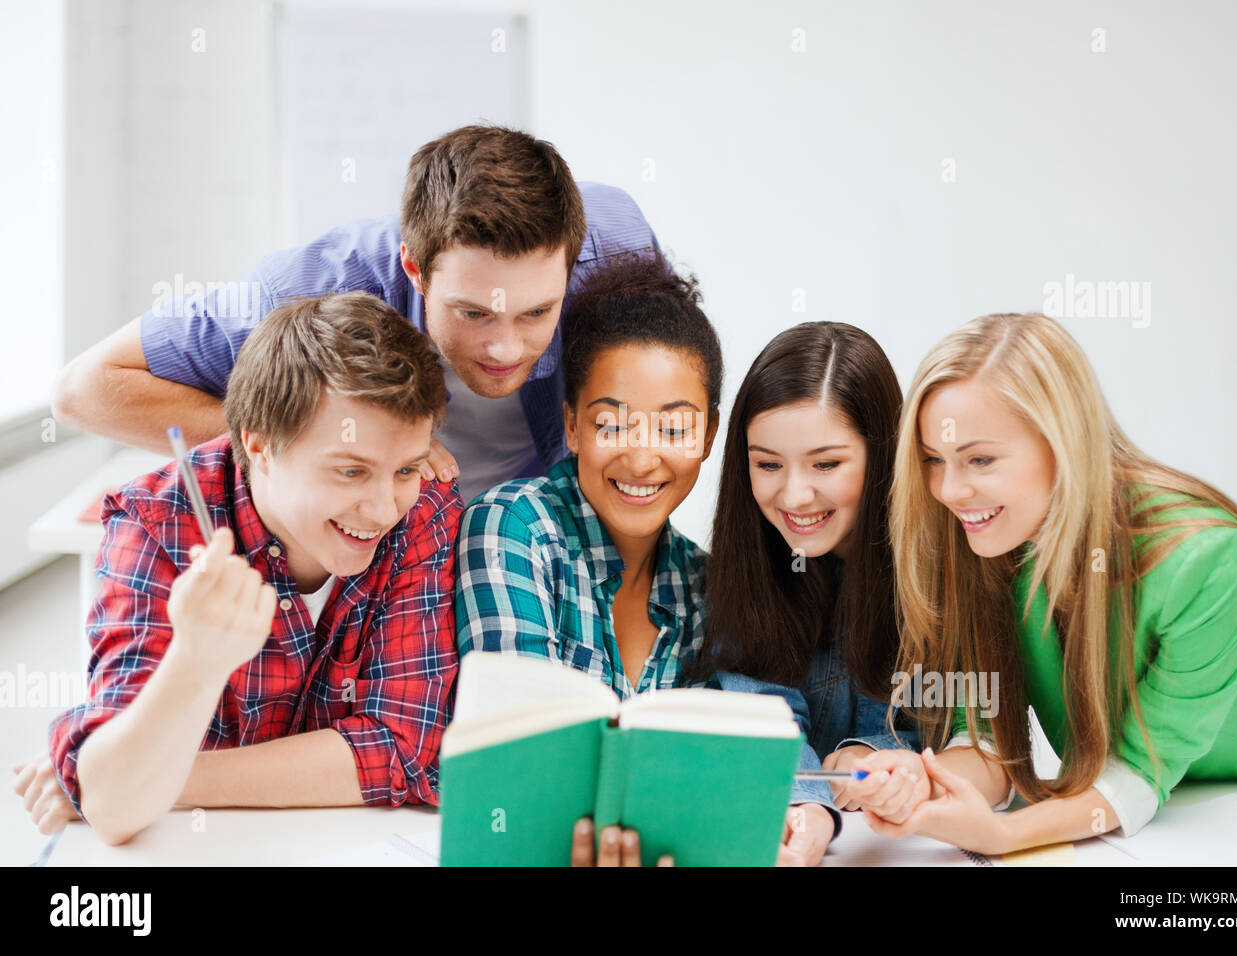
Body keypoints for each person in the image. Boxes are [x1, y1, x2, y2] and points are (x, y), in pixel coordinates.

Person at [13, 293, 461, 844]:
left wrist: (164, 775)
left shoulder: (426, 514)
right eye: (350, 471)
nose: (383, 508)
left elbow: (403, 746)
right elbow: (115, 808)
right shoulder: (156, 525)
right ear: (261, 445)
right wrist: (196, 660)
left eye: (406, 469)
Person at [853, 311, 1237, 854]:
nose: (949, 490)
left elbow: (1136, 775)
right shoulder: (987, 540)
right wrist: (922, 780)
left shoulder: (1210, 560)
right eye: (933, 460)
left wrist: (1003, 835)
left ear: (1062, 442)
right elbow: (990, 735)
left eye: (980, 459)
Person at [50, 125, 662, 503]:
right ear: (415, 269)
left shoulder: (618, 250)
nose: (505, 350)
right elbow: (86, 390)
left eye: (535, 312)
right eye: (473, 313)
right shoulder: (313, 294)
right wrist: (341, 443)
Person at [696, 322, 921, 867]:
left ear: (882, 453)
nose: (794, 494)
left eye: (826, 464)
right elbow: (763, 715)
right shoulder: (746, 566)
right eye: (768, 464)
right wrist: (809, 805)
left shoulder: (927, 570)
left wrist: (874, 756)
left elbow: (927, 722)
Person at [455, 252, 720, 697]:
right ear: (573, 426)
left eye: (673, 429)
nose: (640, 460)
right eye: (611, 426)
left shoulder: (707, 587)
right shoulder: (512, 526)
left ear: (708, 435)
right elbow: (524, 743)